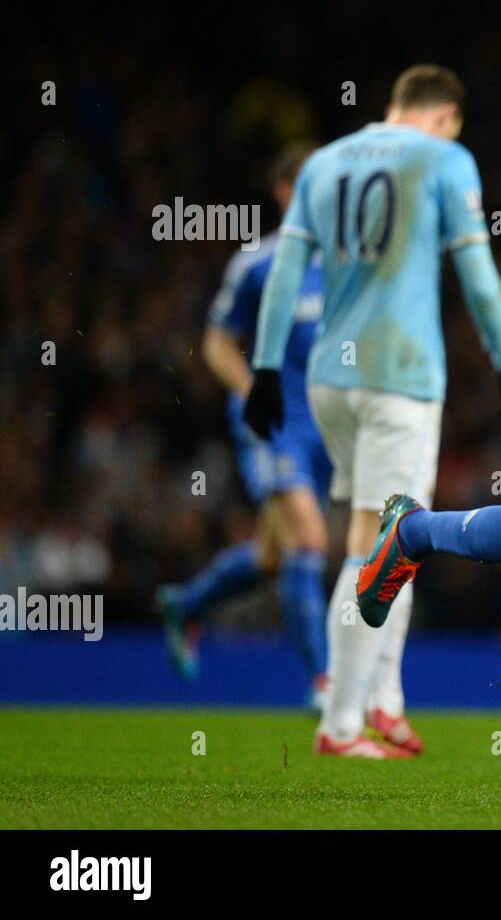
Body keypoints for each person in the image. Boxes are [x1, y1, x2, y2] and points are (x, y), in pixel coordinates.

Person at [244, 65, 501, 758]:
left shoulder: (325, 161)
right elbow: (477, 272)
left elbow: (286, 269)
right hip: (398, 374)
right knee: (389, 541)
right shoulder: (443, 159)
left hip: (328, 379)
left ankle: (385, 700)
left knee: (379, 535)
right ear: (446, 116)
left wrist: (266, 366)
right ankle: (342, 723)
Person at [157, 142, 332, 711]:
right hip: (274, 419)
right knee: (310, 538)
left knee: (273, 556)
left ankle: (186, 606)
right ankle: (325, 683)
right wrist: (250, 389)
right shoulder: (257, 263)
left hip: (326, 426)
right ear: (284, 192)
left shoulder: (346, 265)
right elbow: (216, 341)